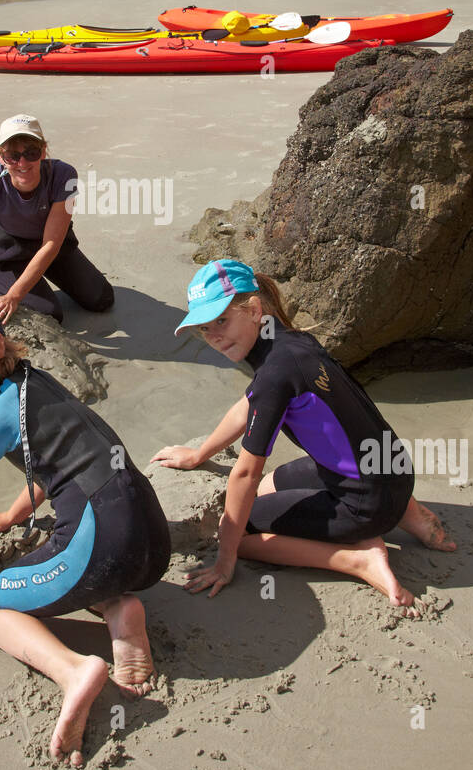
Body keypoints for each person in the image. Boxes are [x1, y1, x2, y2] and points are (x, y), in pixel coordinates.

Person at [0, 299, 171, 765]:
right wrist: (9, 516)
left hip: (103, 541)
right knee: (67, 553)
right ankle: (119, 610)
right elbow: (54, 468)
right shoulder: (36, 384)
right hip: (149, 537)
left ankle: (73, 671)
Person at [152, 259, 455, 613]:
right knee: (269, 487)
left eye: (222, 320)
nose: (214, 336)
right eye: (205, 328)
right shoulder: (293, 342)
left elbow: (245, 474)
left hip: (367, 502)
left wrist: (225, 557)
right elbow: (249, 405)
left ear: (253, 310)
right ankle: (410, 513)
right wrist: (200, 453)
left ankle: (357, 559)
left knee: (243, 531)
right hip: (394, 471)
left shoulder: (275, 375)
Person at [0, 113, 114, 324]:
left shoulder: (64, 176)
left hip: (47, 245)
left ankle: (14, 283)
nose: (22, 162)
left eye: (31, 152)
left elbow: (51, 244)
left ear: (43, 152)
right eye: (12, 156)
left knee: (101, 298)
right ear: (1, 157)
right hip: (2, 253)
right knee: (49, 313)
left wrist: (14, 295)